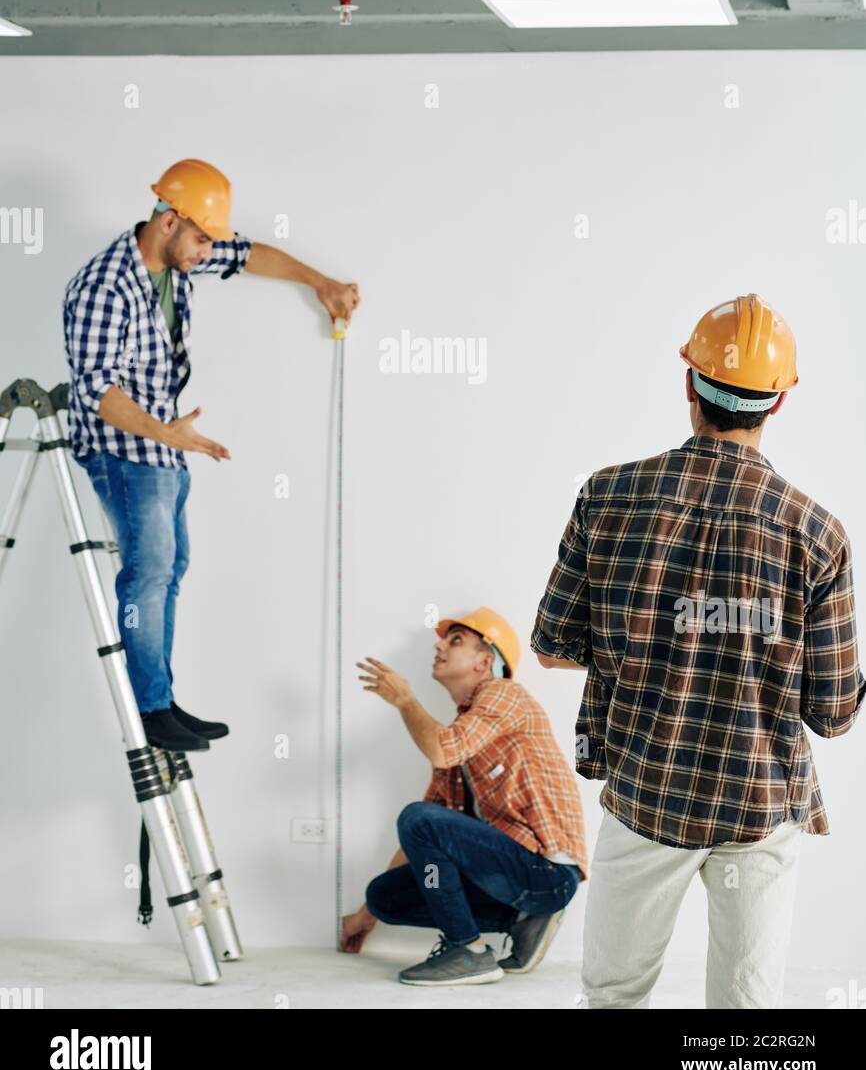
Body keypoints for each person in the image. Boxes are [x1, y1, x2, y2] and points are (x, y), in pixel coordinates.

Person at [532, 293, 865, 1009]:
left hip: (646, 789)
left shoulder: (608, 496)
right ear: (778, 402)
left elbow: (553, 648)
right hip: (758, 804)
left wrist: (645, 636)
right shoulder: (818, 533)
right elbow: (832, 715)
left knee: (615, 994)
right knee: (746, 1012)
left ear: (690, 383)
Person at [62, 158, 360, 752]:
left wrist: (320, 282)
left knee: (169, 571)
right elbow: (94, 388)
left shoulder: (179, 262)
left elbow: (249, 255)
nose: (207, 252)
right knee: (147, 573)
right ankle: (148, 708)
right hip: (124, 451)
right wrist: (164, 433)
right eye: (201, 239)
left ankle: (161, 701)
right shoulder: (105, 286)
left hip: (165, 450)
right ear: (169, 222)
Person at [340, 607, 588, 985]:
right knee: (385, 895)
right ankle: (519, 920)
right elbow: (420, 839)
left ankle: (468, 951)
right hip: (509, 877)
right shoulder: (462, 737)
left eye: (455, 640)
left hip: (547, 872)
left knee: (418, 817)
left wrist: (406, 699)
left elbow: (440, 755)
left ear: (485, 661)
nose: (439, 645)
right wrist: (365, 916)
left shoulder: (505, 694)